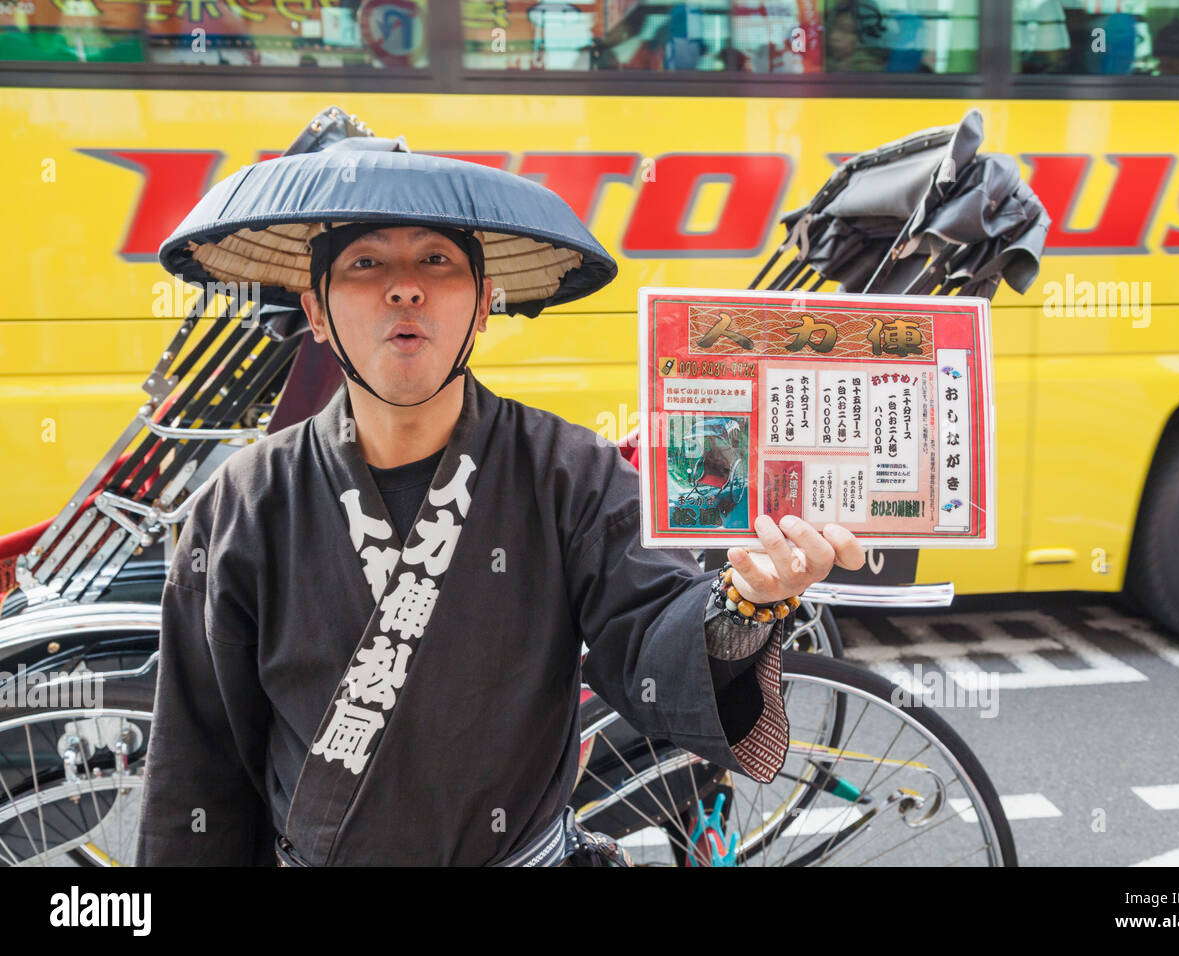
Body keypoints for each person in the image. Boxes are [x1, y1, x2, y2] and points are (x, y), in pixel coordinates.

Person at [135, 139, 866, 865]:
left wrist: (745, 600)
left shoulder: (569, 473)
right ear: (316, 312)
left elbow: (651, 635)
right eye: (365, 263)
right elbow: (198, 761)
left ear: (483, 305)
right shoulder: (245, 500)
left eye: (436, 261)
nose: (404, 288)